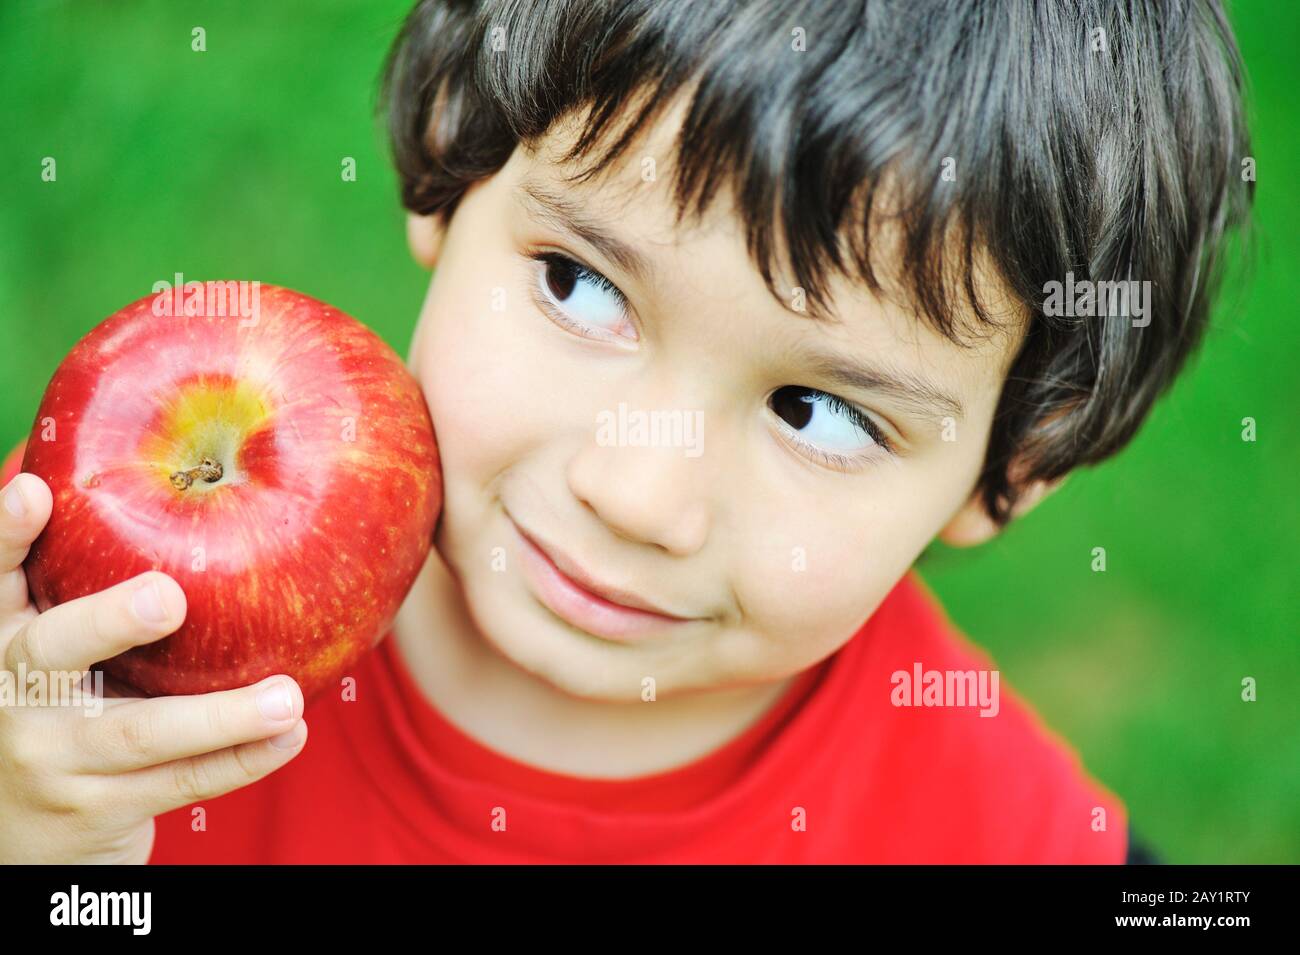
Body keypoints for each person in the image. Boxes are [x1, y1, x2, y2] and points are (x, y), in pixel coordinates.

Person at [0, 0, 1250, 863]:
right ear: (453, 156)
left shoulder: (984, 832)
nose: (637, 492)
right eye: (579, 286)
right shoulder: (92, 630)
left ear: (1016, 463)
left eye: (819, 411)